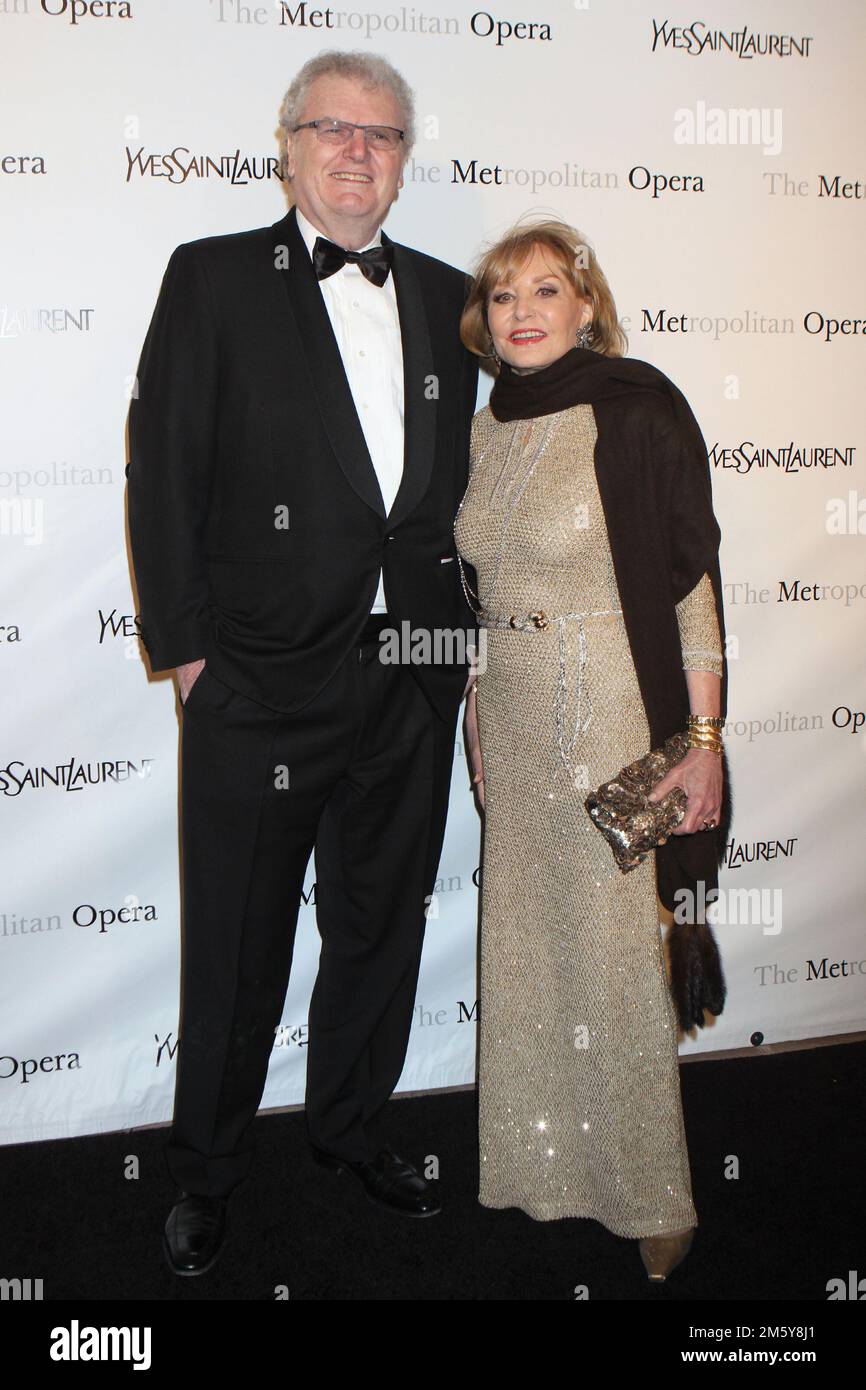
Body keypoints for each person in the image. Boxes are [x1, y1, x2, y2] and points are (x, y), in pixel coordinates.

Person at [126, 49, 479, 1276]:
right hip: (260, 681)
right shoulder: (216, 278)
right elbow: (163, 470)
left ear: (402, 158)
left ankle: (350, 1128)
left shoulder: (446, 297)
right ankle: (207, 1170)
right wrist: (186, 656)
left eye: (380, 135)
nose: (354, 152)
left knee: (379, 924)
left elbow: (455, 499)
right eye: (330, 128)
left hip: (412, 667)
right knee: (236, 939)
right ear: (286, 144)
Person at [455, 218, 729, 1282]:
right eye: (502, 293)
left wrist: (699, 740)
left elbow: (686, 579)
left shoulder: (635, 407)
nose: (521, 310)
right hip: (513, 714)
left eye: (543, 290)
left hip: (612, 708)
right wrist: (477, 710)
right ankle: (539, 1165)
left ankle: (653, 1195)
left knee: (614, 959)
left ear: (585, 307)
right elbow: (478, 593)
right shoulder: (485, 426)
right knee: (525, 952)